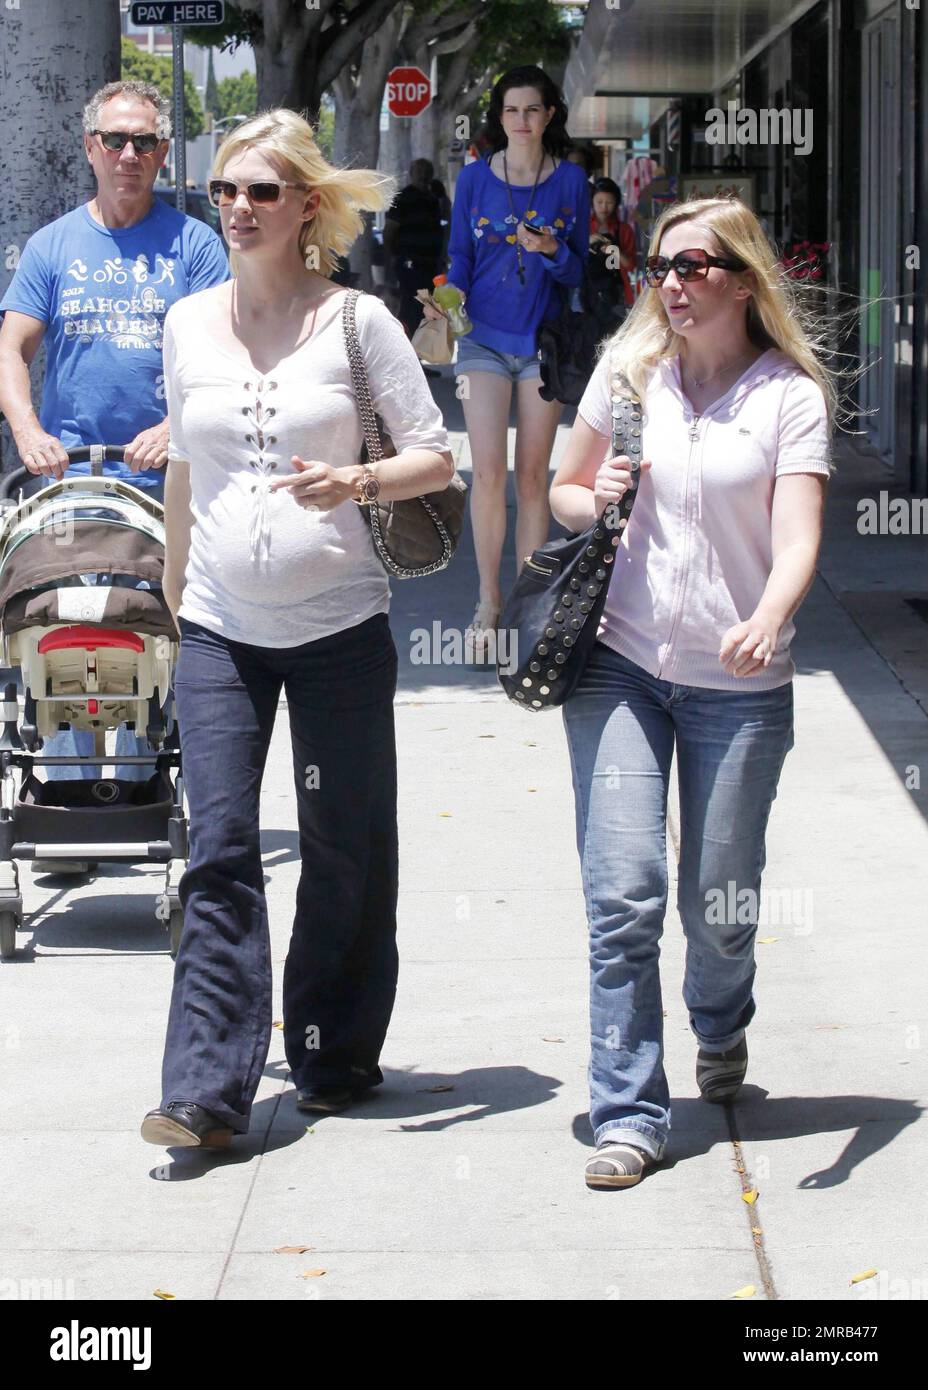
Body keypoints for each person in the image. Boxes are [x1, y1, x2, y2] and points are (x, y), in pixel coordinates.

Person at [140, 109, 454, 1150]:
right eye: (225, 189)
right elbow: (186, 470)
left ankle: (331, 1049)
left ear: (305, 207)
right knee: (220, 847)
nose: (237, 207)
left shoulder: (358, 323)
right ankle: (204, 1089)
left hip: (337, 628)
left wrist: (354, 479)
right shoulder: (186, 324)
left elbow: (434, 458)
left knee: (344, 846)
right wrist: (172, 608)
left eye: (261, 191)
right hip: (221, 629)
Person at [550, 197, 834, 1189]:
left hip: (736, 682)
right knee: (622, 895)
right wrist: (600, 494)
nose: (672, 280)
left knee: (718, 902)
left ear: (743, 280)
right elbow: (561, 486)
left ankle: (721, 1019)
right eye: (661, 263)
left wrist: (768, 614)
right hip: (621, 665)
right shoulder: (629, 377)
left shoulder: (787, 395)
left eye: (696, 265)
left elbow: (797, 535)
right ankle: (627, 1110)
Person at [0, 80, 229, 830]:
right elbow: (12, 347)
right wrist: (28, 429)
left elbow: (224, 356)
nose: (129, 155)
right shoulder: (53, 244)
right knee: (56, 625)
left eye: (145, 142)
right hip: (71, 482)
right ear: (90, 147)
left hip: (170, 484)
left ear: (163, 152)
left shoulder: (194, 244)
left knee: (162, 638)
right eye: (115, 140)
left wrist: (176, 425)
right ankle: (60, 784)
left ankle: (156, 787)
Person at [422, 65, 590, 658]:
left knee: (534, 478)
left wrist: (548, 248)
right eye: (511, 110)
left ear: (549, 117)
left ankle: (529, 608)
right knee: (488, 473)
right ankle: (488, 602)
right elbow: (460, 256)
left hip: (543, 344)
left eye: (532, 110)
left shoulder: (570, 181)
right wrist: (447, 299)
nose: (521, 121)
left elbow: (580, 271)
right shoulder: (473, 178)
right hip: (482, 342)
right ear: (500, 117)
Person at [382, 158, 445, 339]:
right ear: (412, 173)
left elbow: (445, 224)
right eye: (419, 171)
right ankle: (407, 350)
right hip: (409, 264)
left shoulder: (434, 199)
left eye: (427, 172)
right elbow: (390, 229)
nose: (423, 176)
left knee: (428, 310)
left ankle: (420, 357)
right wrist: (390, 256)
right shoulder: (403, 197)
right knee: (410, 308)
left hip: (431, 264)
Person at [588, 176, 636, 325]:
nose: (604, 207)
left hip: (616, 292)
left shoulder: (623, 230)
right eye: (599, 202)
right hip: (588, 290)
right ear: (592, 203)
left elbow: (631, 265)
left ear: (616, 204)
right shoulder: (584, 227)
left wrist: (614, 250)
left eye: (609, 202)